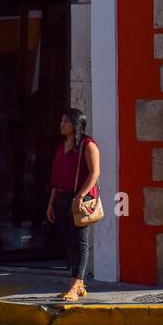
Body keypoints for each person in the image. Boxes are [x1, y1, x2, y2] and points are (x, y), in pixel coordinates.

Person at [47, 108, 101, 301]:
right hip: (61, 197)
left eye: (66, 121)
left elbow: (95, 173)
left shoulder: (87, 145)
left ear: (76, 124)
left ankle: (76, 283)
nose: (62, 124)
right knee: (69, 242)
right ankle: (77, 283)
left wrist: (80, 196)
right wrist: (51, 203)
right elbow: (55, 177)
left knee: (80, 242)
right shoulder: (62, 146)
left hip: (80, 199)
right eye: (62, 121)